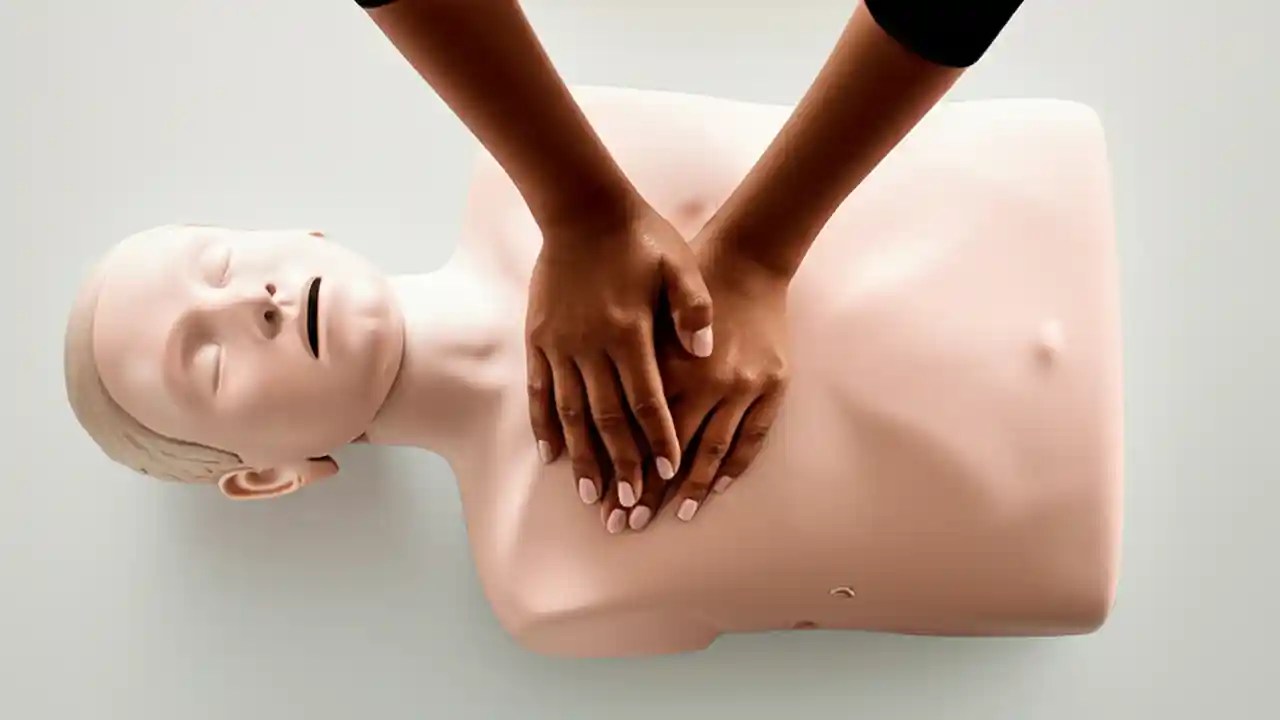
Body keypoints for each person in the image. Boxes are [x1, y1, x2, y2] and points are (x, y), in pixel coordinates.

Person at [64, 86, 1120, 656]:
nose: (240, 301)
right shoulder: (545, 589)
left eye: (221, 261)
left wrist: (729, 250)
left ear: (301, 230)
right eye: (203, 363)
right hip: (1061, 540)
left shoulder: (533, 170)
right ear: (268, 475)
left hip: (1040, 201)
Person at [355, 0, 1026, 520]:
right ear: (265, 475)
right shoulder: (532, 583)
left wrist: (753, 248)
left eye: (239, 260)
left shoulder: (498, 171)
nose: (251, 304)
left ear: (314, 236)